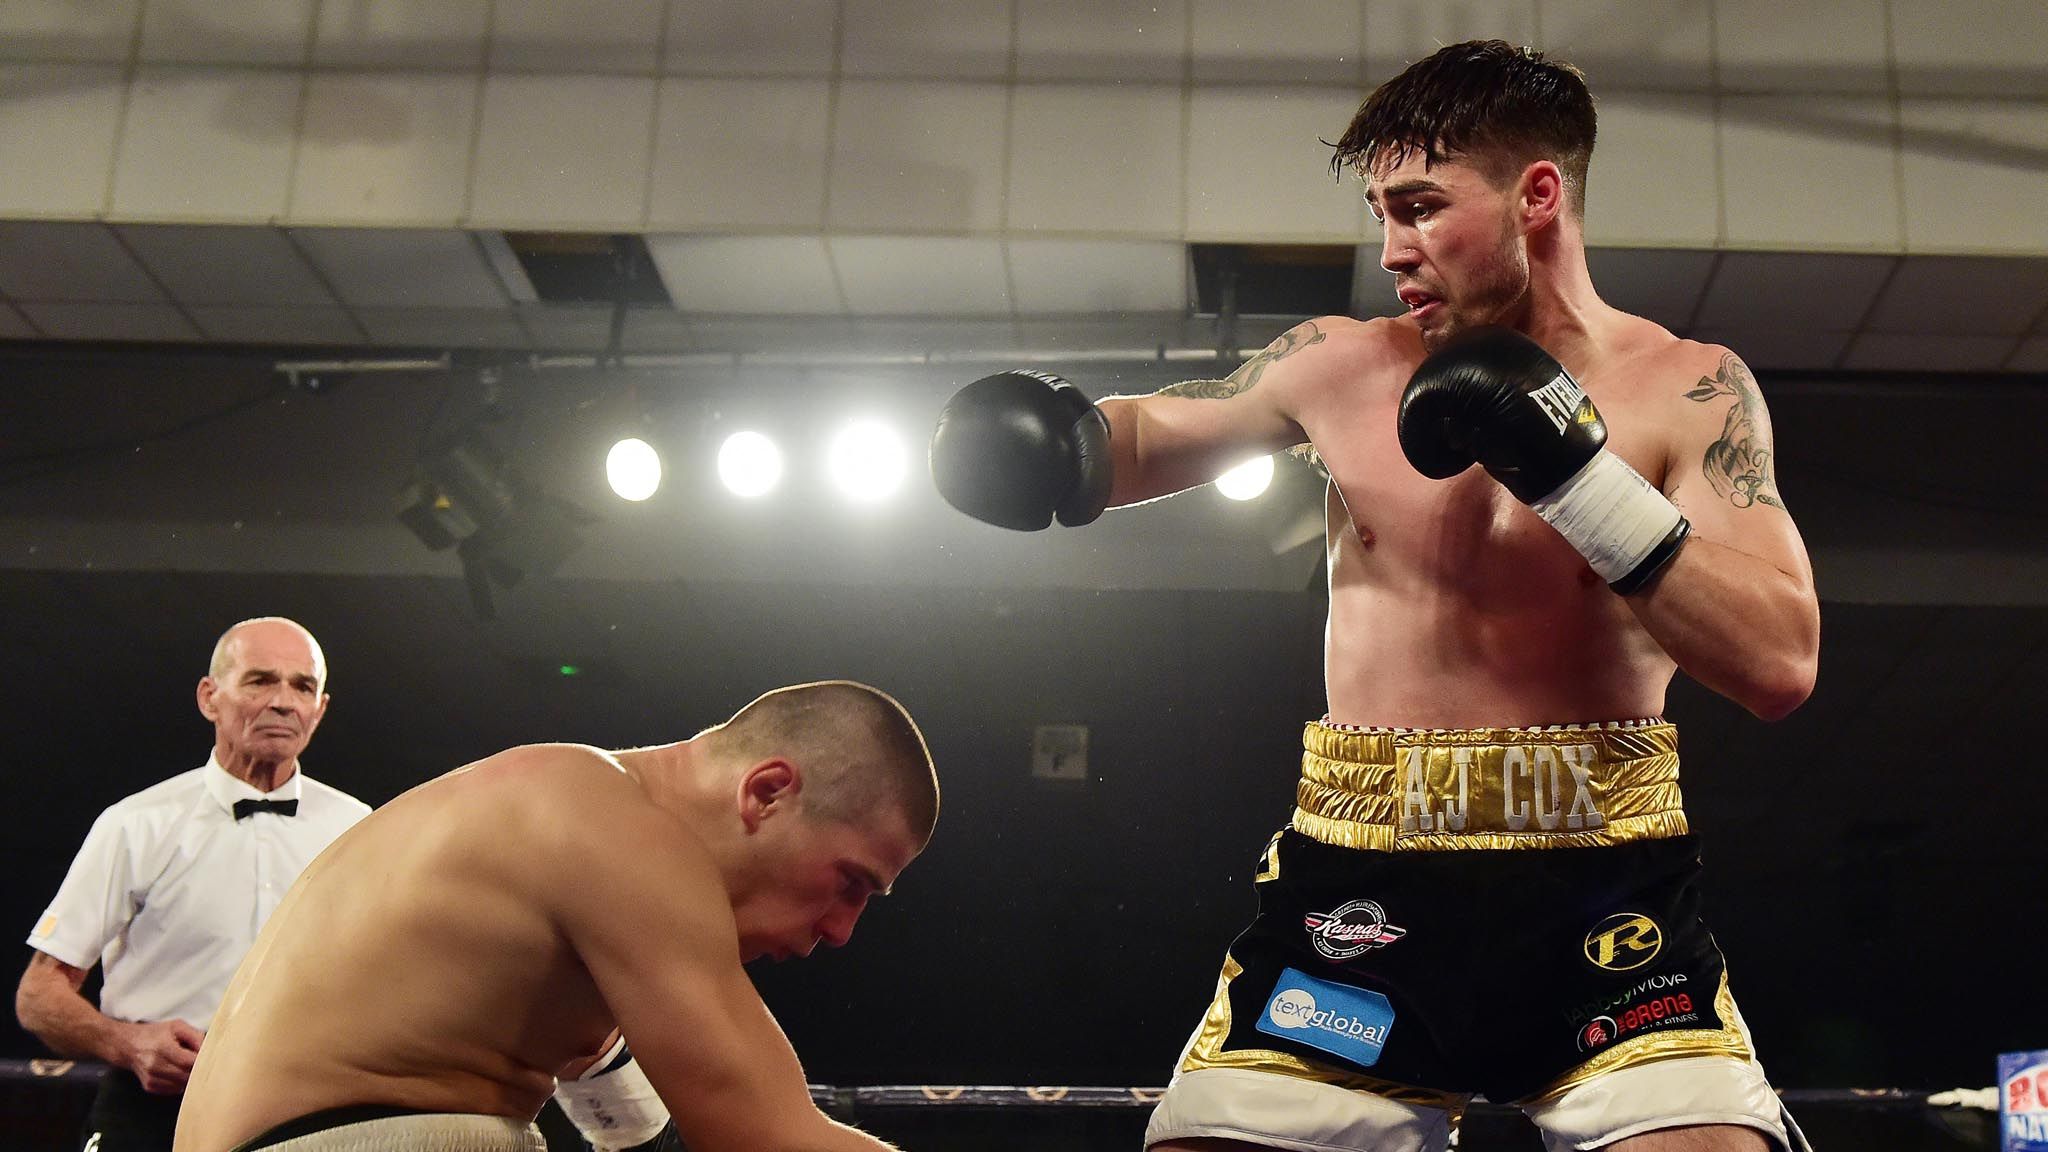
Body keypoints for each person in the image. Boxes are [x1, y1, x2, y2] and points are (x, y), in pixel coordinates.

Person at [930, 39, 1819, 1152]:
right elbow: (1159, 429)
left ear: (1534, 195)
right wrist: (1055, 445)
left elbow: (1780, 660)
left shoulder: (1690, 387)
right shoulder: (1335, 362)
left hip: (1602, 885)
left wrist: (1577, 482)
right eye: (1379, 211)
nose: (1392, 249)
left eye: (1420, 206)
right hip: (1360, 885)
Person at [171, 679, 939, 1152]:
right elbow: (768, 1140)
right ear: (766, 792)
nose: (839, 930)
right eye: (851, 883)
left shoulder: (569, 883)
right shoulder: (613, 828)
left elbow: (641, 1132)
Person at [17, 617, 370, 1152]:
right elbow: (39, 995)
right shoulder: (137, 823)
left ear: (320, 708)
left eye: (303, 686)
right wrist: (130, 1044)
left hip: (309, 1108)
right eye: (260, 680)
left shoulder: (357, 827)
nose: (283, 701)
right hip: (152, 1108)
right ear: (210, 697)